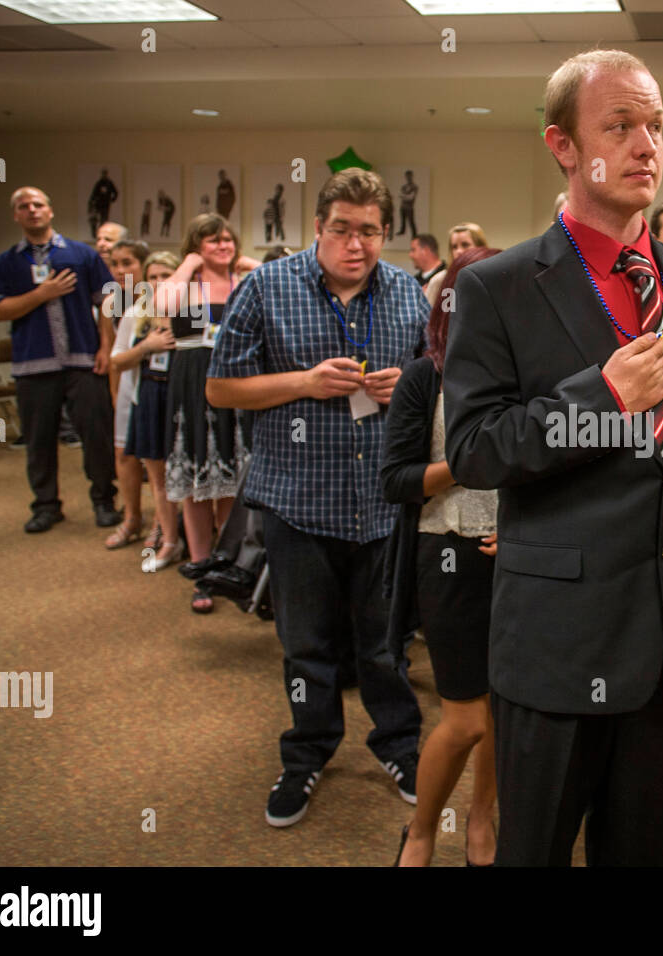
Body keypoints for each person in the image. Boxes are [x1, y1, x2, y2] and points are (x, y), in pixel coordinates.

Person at [443, 49, 663, 867]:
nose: (647, 145)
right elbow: (473, 450)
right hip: (559, 639)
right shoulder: (498, 286)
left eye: (657, 126)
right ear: (564, 146)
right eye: (620, 126)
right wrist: (602, 399)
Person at [206, 168, 426, 828]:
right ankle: (306, 754)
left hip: (382, 504)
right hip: (298, 502)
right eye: (342, 229)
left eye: (370, 232)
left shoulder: (408, 293)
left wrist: (408, 388)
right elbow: (220, 388)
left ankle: (400, 746)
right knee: (307, 648)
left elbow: (437, 382)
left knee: (384, 646)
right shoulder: (266, 287)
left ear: (386, 233)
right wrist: (304, 382)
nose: (356, 244)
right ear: (318, 227)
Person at [382, 246, 502, 867]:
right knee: (467, 721)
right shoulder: (423, 377)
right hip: (448, 556)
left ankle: (481, 822)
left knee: (504, 715)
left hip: (518, 562)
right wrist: (466, 462)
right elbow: (395, 479)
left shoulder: (531, 376)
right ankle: (422, 830)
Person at [0, 187, 120, 533]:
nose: (32, 210)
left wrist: (106, 346)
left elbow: (108, 299)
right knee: (39, 440)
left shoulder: (81, 255)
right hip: (33, 365)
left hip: (84, 360)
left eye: (38, 204)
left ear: (50, 210)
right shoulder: (5, 263)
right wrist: (41, 294)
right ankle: (46, 506)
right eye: (23, 206)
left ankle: (104, 500)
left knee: (97, 434)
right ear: (16, 215)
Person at [156, 214, 261, 612]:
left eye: (227, 239)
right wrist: (189, 263)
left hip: (235, 380)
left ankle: (229, 564)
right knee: (198, 478)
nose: (222, 246)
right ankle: (201, 567)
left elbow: (286, 289)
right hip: (193, 380)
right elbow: (162, 305)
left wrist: (250, 264)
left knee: (233, 479)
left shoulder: (244, 280)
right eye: (213, 240)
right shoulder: (186, 282)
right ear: (197, 245)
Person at [111, 251, 183, 570]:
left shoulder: (193, 311)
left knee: (189, 476)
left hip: (183, 401)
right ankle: (169, 540)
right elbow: (117, 361)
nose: (159, 282)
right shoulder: (136, 314)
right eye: (153, 276)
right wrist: (146, 347)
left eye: (166, 275)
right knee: (158, 477)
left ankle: (198, 538)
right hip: (149, 400)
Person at [103, 238, 152, 550]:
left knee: (157, 458)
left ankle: (163, 523)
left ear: (143, 266)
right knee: (123, 453)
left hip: (154, 384)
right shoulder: (111, 302)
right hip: (125, 382)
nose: (120, 270)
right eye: (115, 264)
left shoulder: (163, 298)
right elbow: (111, 353)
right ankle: (132, 517)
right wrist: (114, 394)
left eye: (127, 263)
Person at [422, 222, 488, 308]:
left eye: (465, 245)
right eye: (454, 247)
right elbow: (429, 314)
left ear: (480, 247)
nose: (459, 251)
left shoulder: (489, 277)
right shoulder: (441, 280)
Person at [397, 170, 419, 239]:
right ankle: (402, 231)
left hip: (409, 207)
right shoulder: (404, 186)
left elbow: (411, 197)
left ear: (412, 176)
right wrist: (406, 196)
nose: (408, 178)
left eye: (409, 176)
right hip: (402, 206)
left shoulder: (414, 186)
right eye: (407, 176)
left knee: (411, 221)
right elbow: (400, 195)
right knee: (402, 220)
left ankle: (414, 235)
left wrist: (404, 196)